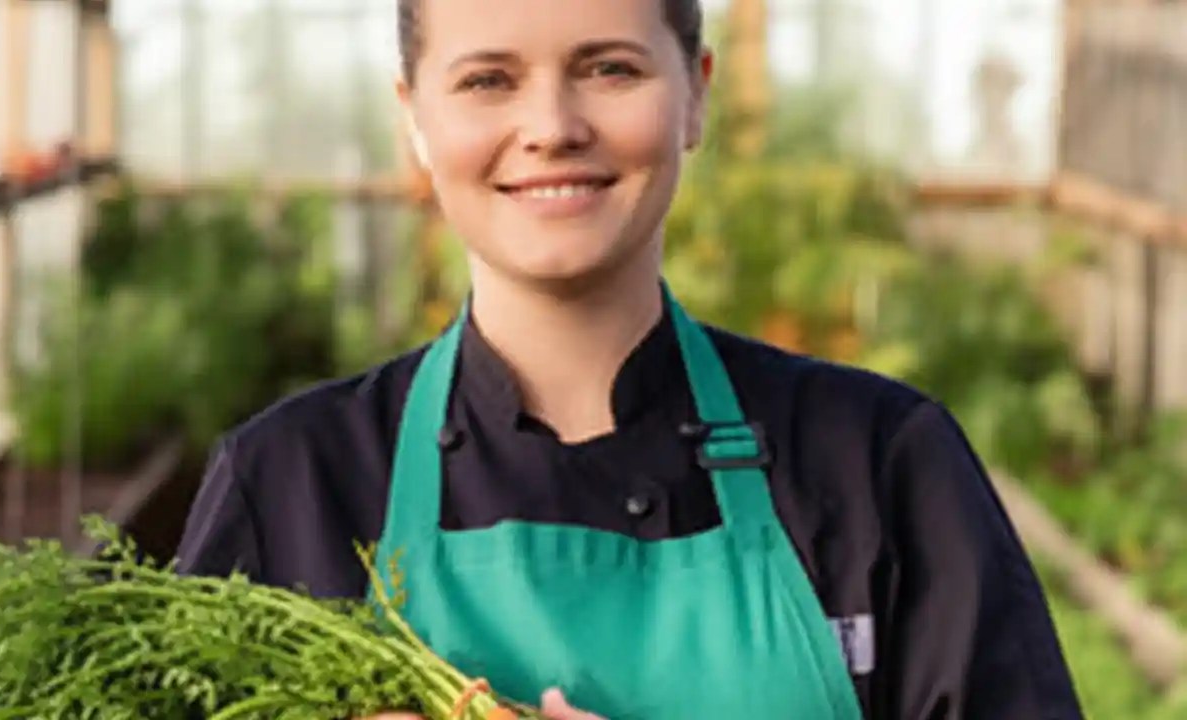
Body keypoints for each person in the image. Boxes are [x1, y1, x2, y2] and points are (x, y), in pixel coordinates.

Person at [175, 0, 1085, 718]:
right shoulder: (290, 483)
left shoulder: (880, 463)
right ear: (413, 116)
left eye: (609, 68)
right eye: (488, 80)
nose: (552, 126)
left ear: (695, 93)